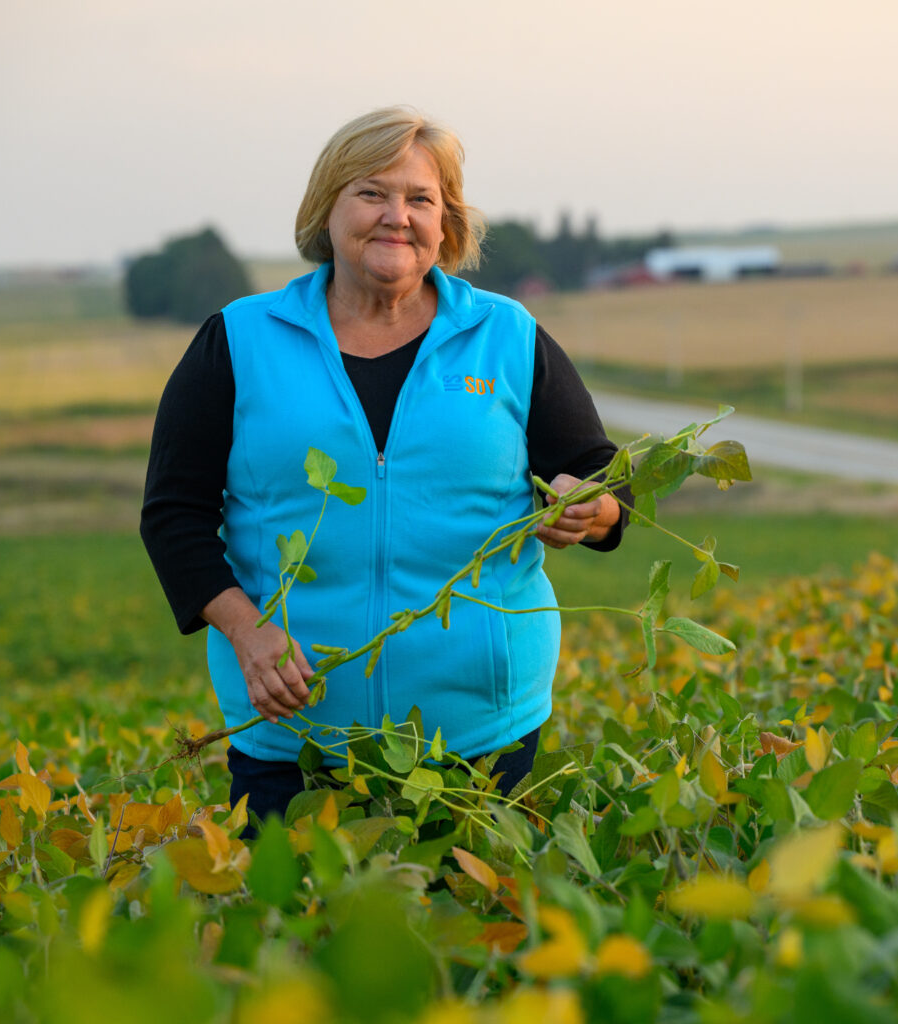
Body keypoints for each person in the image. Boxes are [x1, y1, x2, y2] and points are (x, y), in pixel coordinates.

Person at [140, 106, 627, 826]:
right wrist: (248, 631)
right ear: (327, 210)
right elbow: (173, 514)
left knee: (477, 930)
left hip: (480, 736)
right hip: (294, 735)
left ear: (446, 223)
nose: (396, 216)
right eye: (371, 193)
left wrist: (591, 505)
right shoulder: (239, 340)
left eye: (420, 199)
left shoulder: (508, 336)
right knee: (296, 931)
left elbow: (599, 472)